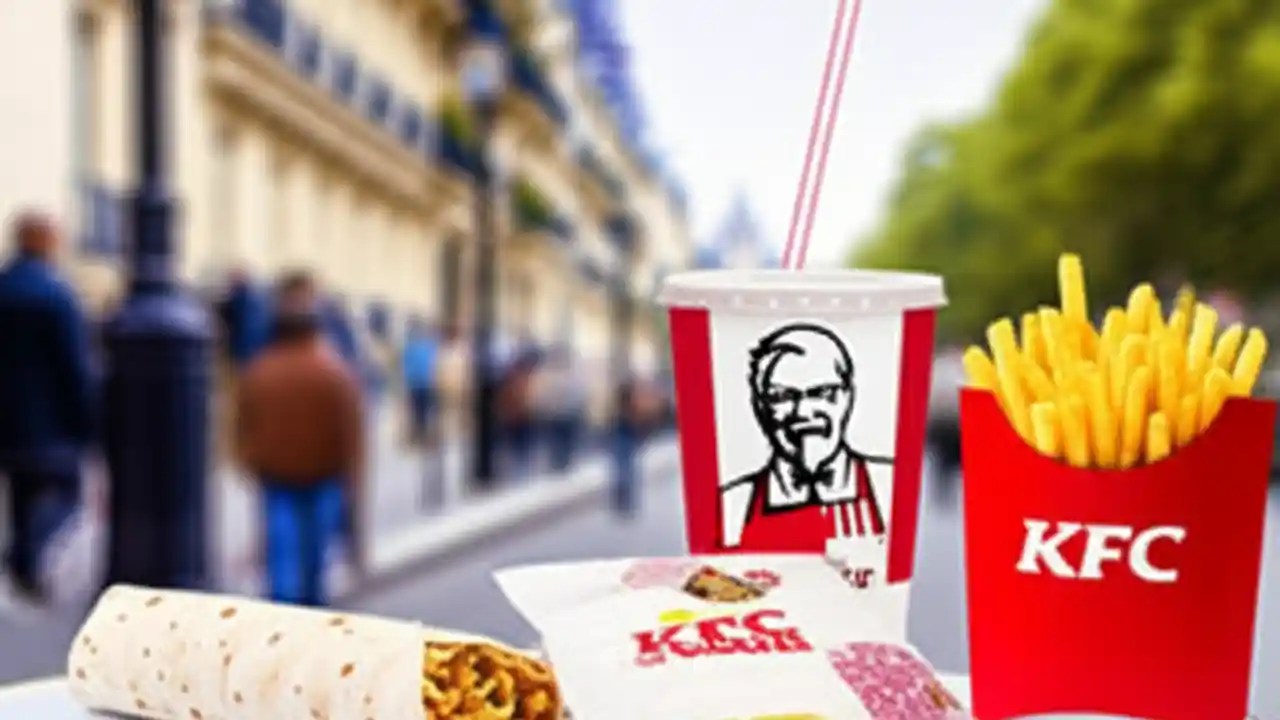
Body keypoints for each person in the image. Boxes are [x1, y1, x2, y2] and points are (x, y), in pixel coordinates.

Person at [236, 272, 365, 606]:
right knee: (314, 560)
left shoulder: (260, 370)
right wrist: (352, 485)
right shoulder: (335, 371)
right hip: (324, 477)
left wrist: (253, 463)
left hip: (277, 478)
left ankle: (285, 620)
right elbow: (351, 438)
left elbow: (242, 427)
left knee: (282, 560)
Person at [719, 323, 892, 552]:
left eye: (822, 393)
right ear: (759, 406)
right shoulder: (733, 504)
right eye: (782, 396)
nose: (803, 411)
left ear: (848, 397)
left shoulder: (888, 484)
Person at [0, 213, 94, 601]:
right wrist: (89, 421)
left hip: (7, 418)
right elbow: (75, 365)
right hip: (51, 421)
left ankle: (26, 567)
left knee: (21, 495)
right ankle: (24, 557)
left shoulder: (4, 288)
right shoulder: (57, 295)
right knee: (69, 496)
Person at [533, 345, 586, 473]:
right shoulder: (549, 374)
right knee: (557, 439)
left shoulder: (570, 375)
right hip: (557, 414)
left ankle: (562, 462)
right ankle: (558, 462)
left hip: (566, 413)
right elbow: (543, 394)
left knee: (564, 439)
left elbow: (578, 394)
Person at [401, 317, 440, 447]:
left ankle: (423, 438)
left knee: (423, 413)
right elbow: (406, 366)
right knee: (418, 413)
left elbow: (434, 365)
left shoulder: (427, 346)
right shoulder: (415, 346)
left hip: (425, 385)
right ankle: (419, 437)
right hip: (418, 385)